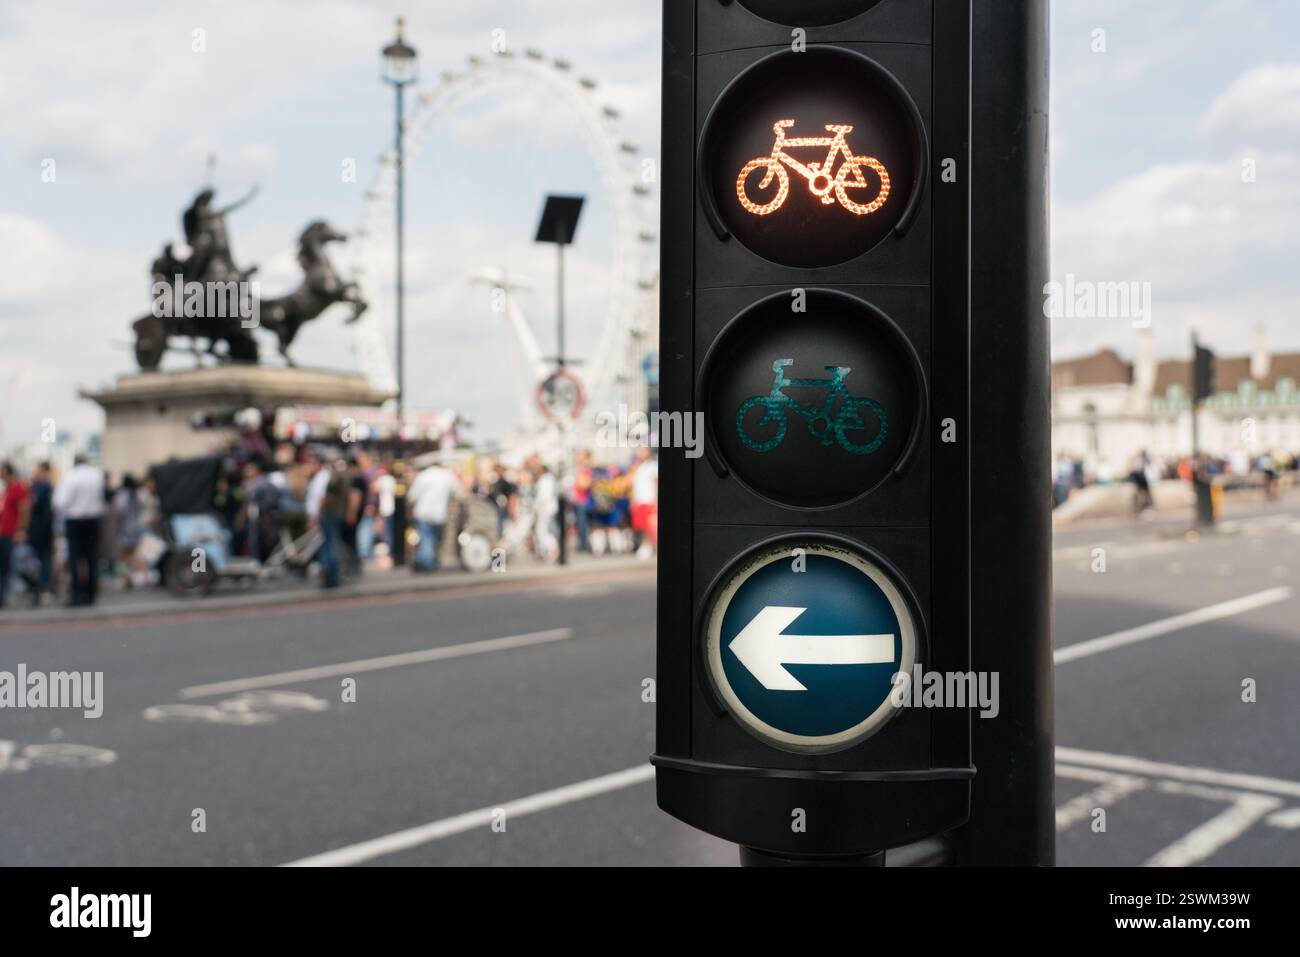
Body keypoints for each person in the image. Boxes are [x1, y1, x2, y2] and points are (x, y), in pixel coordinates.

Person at [54, 454, 105, 606]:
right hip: (93, 520)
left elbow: (60, 502)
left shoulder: (71, 476)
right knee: (92, 558)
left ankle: (77, 595)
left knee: (75, 558)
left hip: (75, 520)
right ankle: (91, 594)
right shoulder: (97, 475)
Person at [407, 454, 459, 572]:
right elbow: (457, 491)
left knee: (426, 537)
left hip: (423, 512)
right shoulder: (447, 476)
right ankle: (429, 561)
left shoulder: (423, 476)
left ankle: (426, 562)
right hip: (440, 513)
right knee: (434, 538)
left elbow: (412, 496)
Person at [0, 462, 32, 610]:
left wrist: (21, 530)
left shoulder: (18, 489)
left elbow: (25, 510)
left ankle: (12, 594)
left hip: (11, 533)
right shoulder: (6, 489)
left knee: (12, 566)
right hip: (3, 532)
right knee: (4, 566)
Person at [26, 462, 55, 604]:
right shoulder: (40, 486)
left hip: (42, 529)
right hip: (40, 528)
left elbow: (33, 502)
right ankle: (41, 588)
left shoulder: (44, 486)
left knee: (43, 559)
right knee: (40, 559)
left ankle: (43, 588)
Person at [629, 448, 658, 560]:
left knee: (648, 526)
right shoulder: (637, 467)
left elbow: (656, 484)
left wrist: (656, 501)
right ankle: (645, 545)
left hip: (649, 500)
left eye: (643, 451)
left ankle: (648, 546)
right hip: (639, 501)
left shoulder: (653, 466)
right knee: (640, 525)